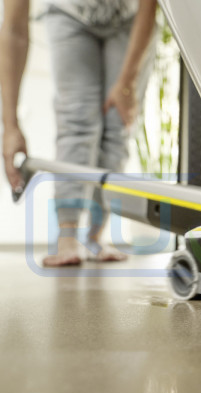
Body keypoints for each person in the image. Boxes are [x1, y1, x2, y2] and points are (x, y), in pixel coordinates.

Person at [0, 0, 157, 266]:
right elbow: (13, 30)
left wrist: (127, 82)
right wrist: (10, 125)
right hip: (68, 14)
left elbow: (149, 5)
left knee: (118, 124)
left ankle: (95, 236)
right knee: (77, 121)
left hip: (131, 18)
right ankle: (68, 236)